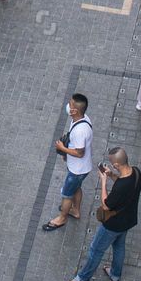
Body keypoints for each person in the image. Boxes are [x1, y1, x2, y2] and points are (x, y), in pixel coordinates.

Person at [64, 148, 141, 281]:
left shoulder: (120, 187)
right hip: (128, 220)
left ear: (117, 164)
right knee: (119, 246)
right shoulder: (136, 172)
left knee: (95, 250)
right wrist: (111, 175)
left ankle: (82, 280)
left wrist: (104, 182)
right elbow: (121, 183)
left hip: (112, 224)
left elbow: (106, 205)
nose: (112, 166)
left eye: (113, 165)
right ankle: (115, 274)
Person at [42, 94, 93, 231]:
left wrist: (62, 148)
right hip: (82, 167)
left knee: (66, 194)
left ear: (75, 111)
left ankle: (62, 217)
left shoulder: (80, 131)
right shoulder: (83, 119)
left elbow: (79, 152)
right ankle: (76, 210)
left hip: (77, 170)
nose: (68, 106)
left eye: (70, 104)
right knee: (76, 188)